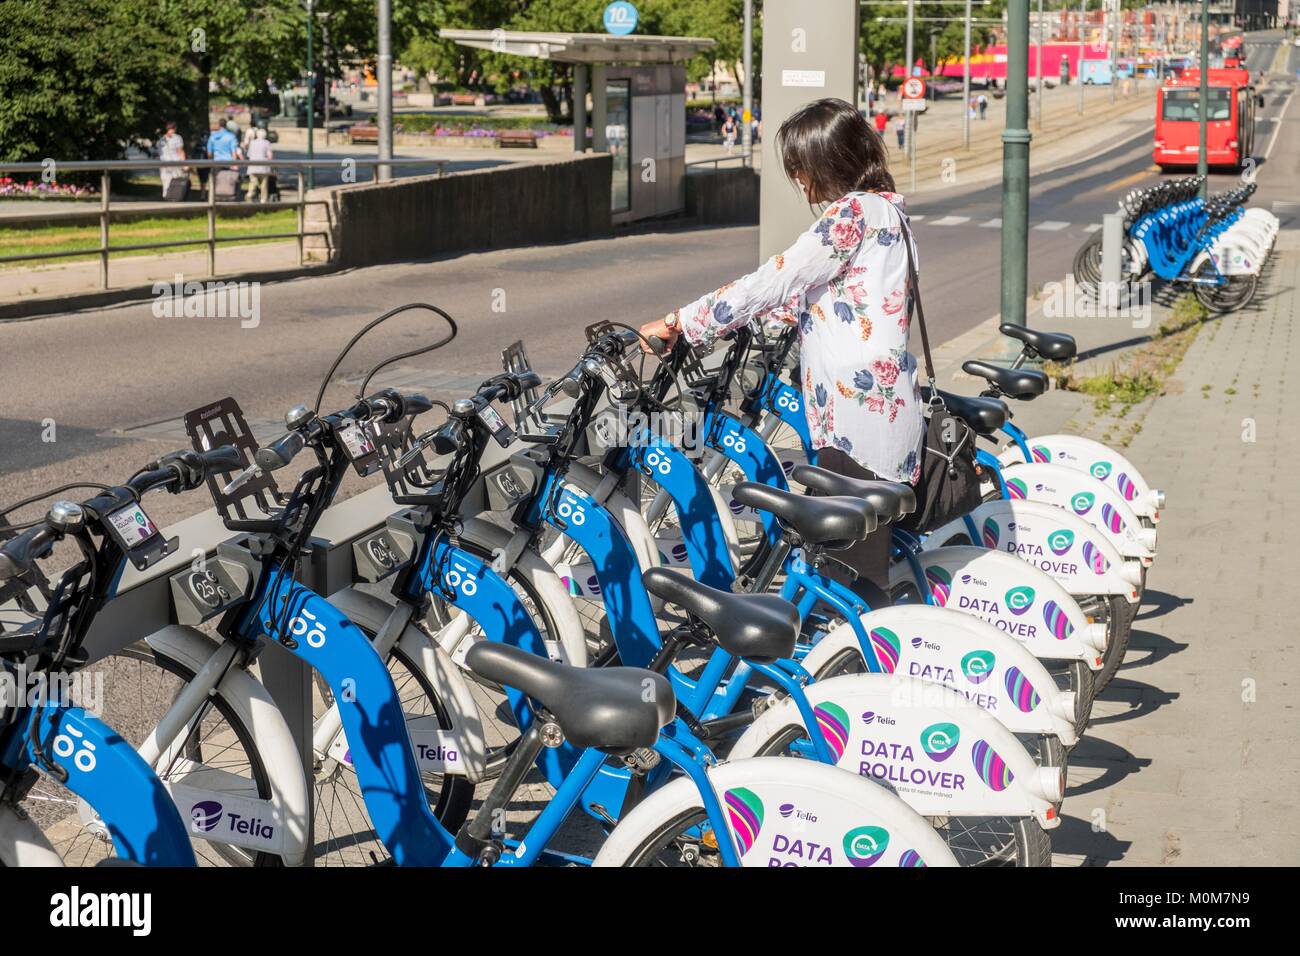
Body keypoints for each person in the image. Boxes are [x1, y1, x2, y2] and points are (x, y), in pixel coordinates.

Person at [639, 98, 924, 597]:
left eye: (800, 167)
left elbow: (775, 279)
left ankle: (862, 665)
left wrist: (680, 322)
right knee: (857, 561)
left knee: (848, 577)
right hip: (882, 414)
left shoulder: (851, 213)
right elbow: (841, 298)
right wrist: (763, 322)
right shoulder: (889, 212)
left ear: (826, 161)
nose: (798, 179)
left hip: (855, 424)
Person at [157, 121, 187, 199]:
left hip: (164, 164)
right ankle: (175, 198)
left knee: (165, 184)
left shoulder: (161, 140)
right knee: (176, 183)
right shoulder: (177, 138)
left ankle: (166, 198)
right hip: (175, 164)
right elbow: (180, 151)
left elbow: (159, 154)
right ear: (175, 128)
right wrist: (185, 164)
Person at [245, 128, 274, 203]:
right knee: (264, 185)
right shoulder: (267, 143)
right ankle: (263, 199)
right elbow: (270, 156)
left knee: (252, 182)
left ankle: (250, 194)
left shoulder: (252, 143)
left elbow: (249, 155)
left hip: (253, 167)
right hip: (264, 167)